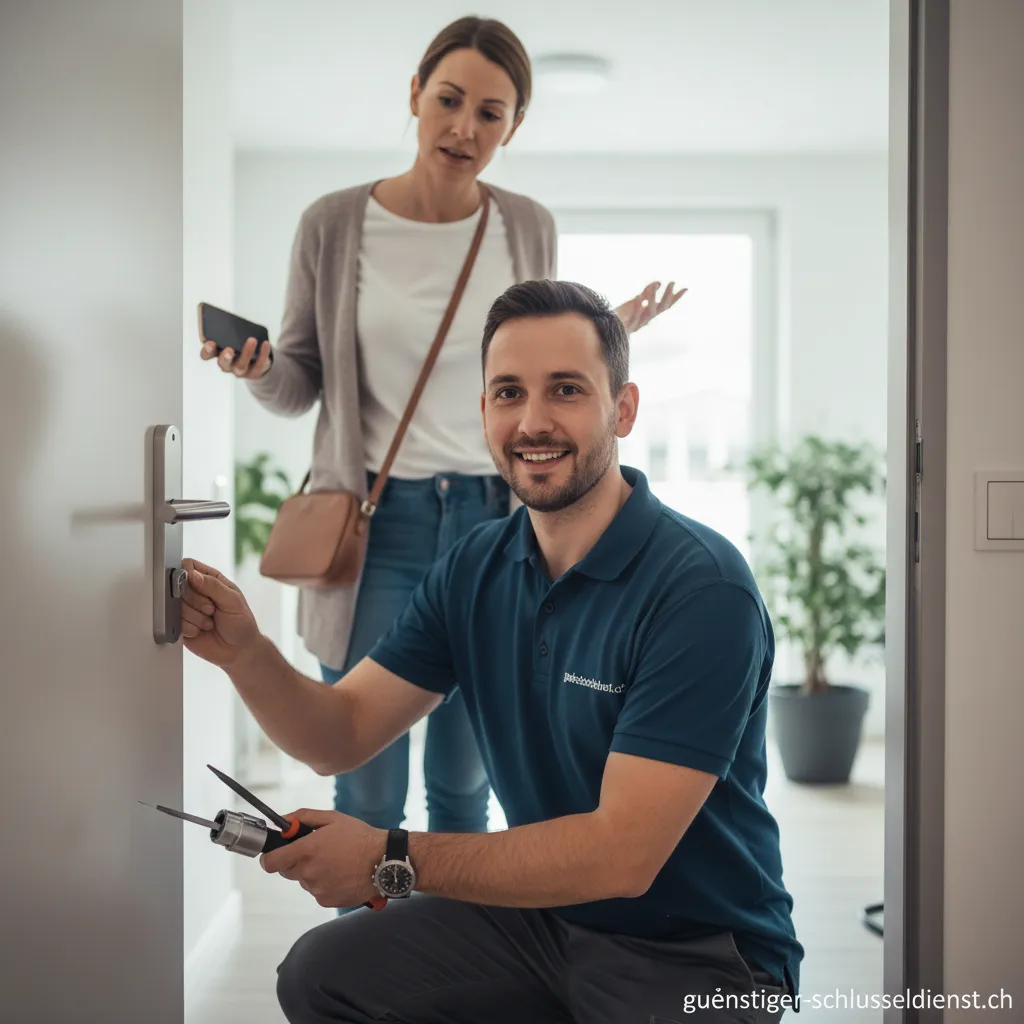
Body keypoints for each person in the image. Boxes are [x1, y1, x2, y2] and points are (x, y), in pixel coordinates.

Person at [182, 279, 804, 1023]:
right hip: (546, 921)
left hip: (700, 952)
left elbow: (622, 856)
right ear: (484, 413)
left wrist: (392, 855)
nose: (533, 421)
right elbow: (339, 733)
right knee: (325, 972)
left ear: (624, 409)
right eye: (508, 393)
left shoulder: (701, 589)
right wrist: (244, 651)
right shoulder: (476, 566)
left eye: (566, 390)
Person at [200, 16, 684, 843]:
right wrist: (259, 368)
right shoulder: (334, 222)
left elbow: (535, 353)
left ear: (514, 127)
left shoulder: (526, 224)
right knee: (365, 791)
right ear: (415, 94)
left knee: (465, 789)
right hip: (375, 527)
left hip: (498, 521)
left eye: (491, 113)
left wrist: (606, 334)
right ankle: (363, 969)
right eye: (450, 100)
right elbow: (298, 387)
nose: (465, 128)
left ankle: (452, 968)